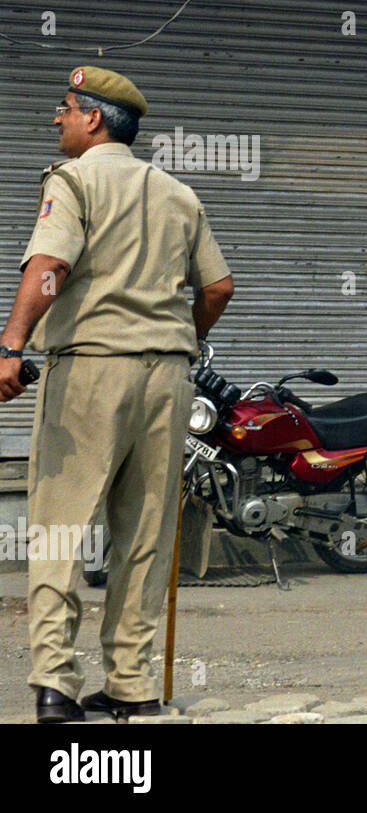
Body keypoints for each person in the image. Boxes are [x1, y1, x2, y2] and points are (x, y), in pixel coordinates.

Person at [0, 66, 233, 723]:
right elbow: (218, 288)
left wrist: (11, 344)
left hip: (90, 371)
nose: (56, 119)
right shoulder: (178, 193)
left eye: (65, 109)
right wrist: (179, 338)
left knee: (57, 530)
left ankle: (55, 686)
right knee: (143, 536)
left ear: (93, 118)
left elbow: (50, 268)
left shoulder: (72, 181)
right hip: (166, 378)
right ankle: (132, 685)